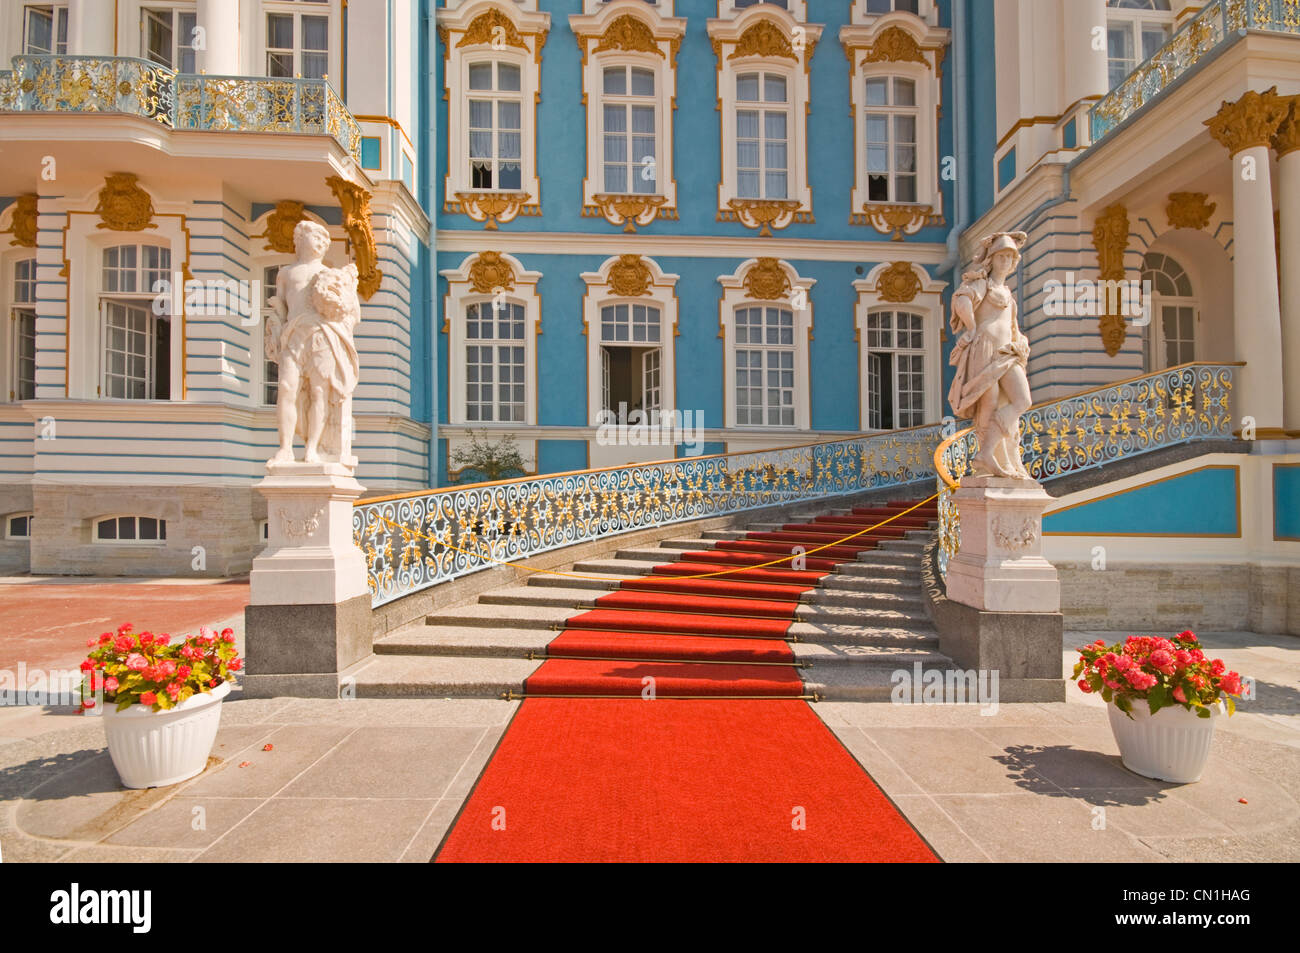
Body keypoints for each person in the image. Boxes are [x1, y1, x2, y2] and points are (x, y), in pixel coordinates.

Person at [265, 220, 361, 468]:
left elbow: (349, 312)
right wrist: (275, 322)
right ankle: (285, 448)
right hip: (294, 334)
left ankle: (312, 448)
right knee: (286, 388)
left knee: (320, 392)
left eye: (324, 240)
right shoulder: (286, 273)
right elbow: (282, 307)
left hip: (322, 336)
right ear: (299, 239)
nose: (321, 243)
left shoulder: (330, 275)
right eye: (315, 237)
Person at [947, 231, 1033, 479]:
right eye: (1001, 256)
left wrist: (1022, 343)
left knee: (1022, 400)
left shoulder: (1009, 297)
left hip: (1006, 353)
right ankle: (989, 459)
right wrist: (971, 327)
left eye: (1010, 257)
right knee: (990, 402)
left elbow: (1014, 329)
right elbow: (962, 301)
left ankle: (987, 453)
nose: (1006, 261)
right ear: (991, 259)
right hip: (984, 350)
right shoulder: (982, 283)